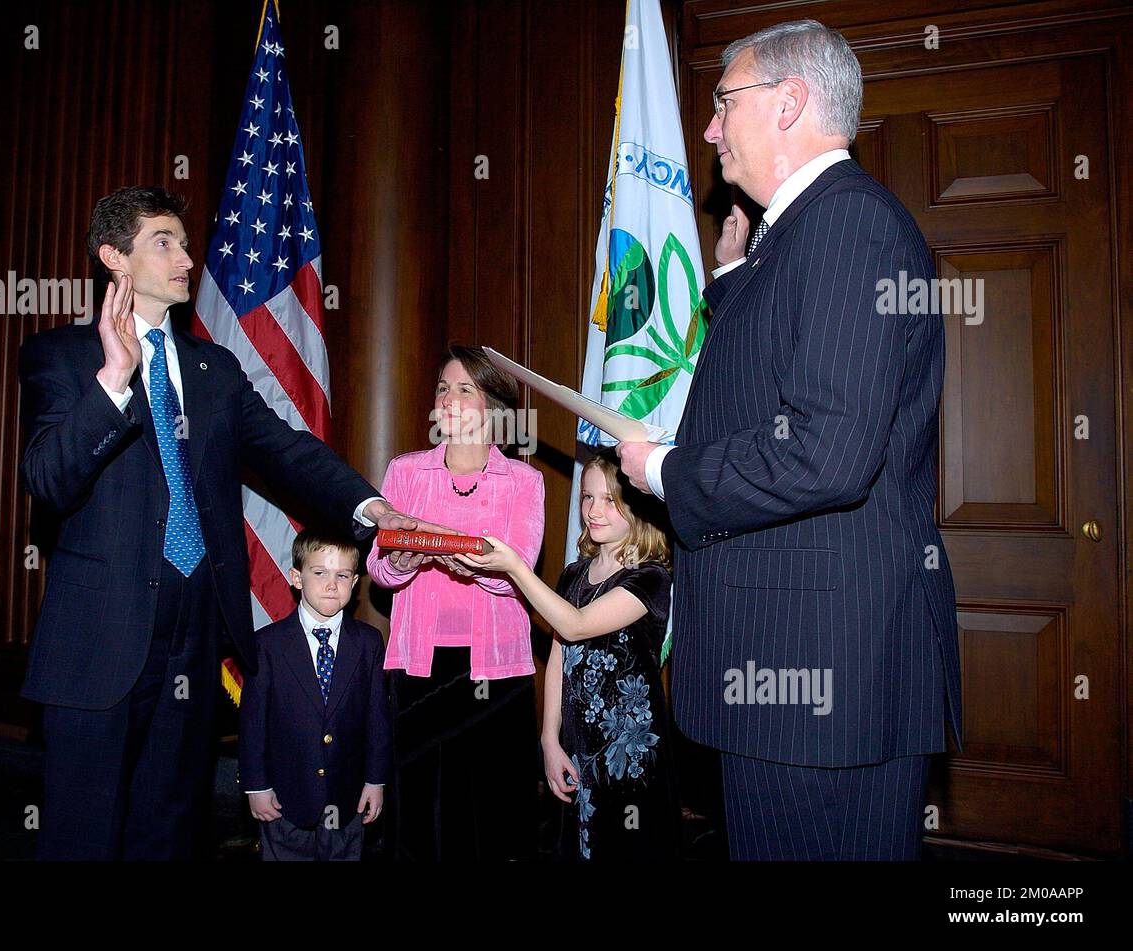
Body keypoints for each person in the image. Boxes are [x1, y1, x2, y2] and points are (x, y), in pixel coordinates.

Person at [615, 20, 962, 860]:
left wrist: (665, 468)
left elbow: (828, 453)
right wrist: (733, 279)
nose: (709, 128)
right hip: (793, 668)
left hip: (820, 676)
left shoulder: (850, 227)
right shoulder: (804, 234)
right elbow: (763, 386)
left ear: (789, 103)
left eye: (722, 103)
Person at [18, 185, 420, 860]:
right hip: (96, 649)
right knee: (79, 839)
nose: (184, 256)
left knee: (169, 834)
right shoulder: (59, 356)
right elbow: (49, 479)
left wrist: (369, 507)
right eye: (162, 242)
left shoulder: (215, 368)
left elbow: (287, 450)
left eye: (183, 239)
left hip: (195, 645)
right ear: (114, 257)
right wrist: (113, 380)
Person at [366, 344, 545, 861]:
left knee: (492, 817)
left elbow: (517, 575)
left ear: (494, 406)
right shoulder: (404, 472)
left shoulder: (524, 482)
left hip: (497, 667)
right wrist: (400, 563)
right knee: (419, 816)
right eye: (443, 387)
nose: (448, 398)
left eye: (464, 389)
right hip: (419, 666)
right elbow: (379, 566)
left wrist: (450, 547)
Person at [457, 450, 679, 860]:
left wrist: (514, 567)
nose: (594, 510)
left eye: (609, 500)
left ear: (638, 505)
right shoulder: (575, 573)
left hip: (630, 757)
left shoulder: (651, 577)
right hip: (578, 746)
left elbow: (576, 623)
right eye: (586, 497)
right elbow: (561, 646)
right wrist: (548, 738)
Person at [239, 530, 391, 861]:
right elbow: (253, 723)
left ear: (354, 583)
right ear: (296, 577)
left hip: (347, 799)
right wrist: (256, 786)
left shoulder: (368, 643)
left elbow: (378, 720)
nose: (331, 584)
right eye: (319, 572)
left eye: (343, 575)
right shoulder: (267, 645)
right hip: (284, 800)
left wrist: (375, 781)